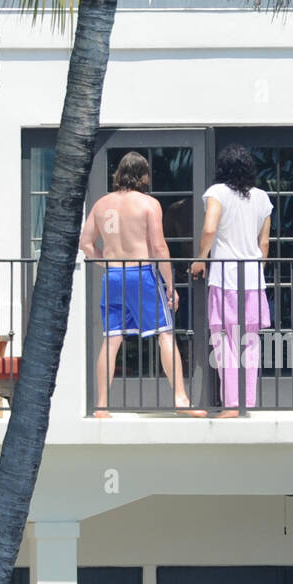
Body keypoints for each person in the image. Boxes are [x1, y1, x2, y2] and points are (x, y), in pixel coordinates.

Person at [79, 152, 204, 417]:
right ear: (144, 176)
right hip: (142, 274)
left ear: (118, 174)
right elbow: (159, 248)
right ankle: (181, 400)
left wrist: (107, 264)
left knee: (111, 339)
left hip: (113, 276)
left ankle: (102, 405)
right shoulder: (148, 204)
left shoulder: (102, 204)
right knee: (165, 333)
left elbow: (86, 244)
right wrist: (170, 285)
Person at [190, 143, 273, 415]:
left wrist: (201, 258)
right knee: (250, 342)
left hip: (225, 279)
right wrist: (256, 267)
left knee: (224, 342)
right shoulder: (262, 198)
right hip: (252, 279)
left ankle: (230, 404)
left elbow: (209, 228)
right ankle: (246, 402)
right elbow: (264, 244)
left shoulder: (217, 193)